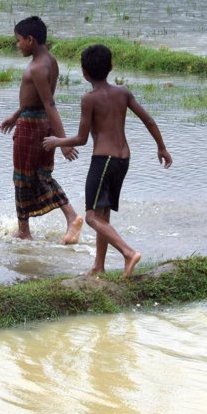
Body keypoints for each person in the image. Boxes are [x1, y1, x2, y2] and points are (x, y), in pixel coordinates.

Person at [43, 43, 172, 277]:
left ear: (84, 72)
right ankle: (98, 266)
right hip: (123, 159)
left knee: (92, 216)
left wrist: (57, 141)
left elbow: (82, 139)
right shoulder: (123, 92)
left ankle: (128, 252)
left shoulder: (89, 99)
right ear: (111, 66)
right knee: (103, 214)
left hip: (104, 160)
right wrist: (161, 147)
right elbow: (149, 120)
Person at [0, 16, 84, 244]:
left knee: (22, 177)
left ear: (30, 39)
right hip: (38, 121)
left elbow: (49, 103)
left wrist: (63, 141)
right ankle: (70, 217)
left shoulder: (36, 67)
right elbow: (38, 100)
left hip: (32, 128)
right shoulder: (50, 60)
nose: (17, 45)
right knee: (41, 175)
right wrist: (17, 114)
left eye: (18, 41)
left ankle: (26, 230)